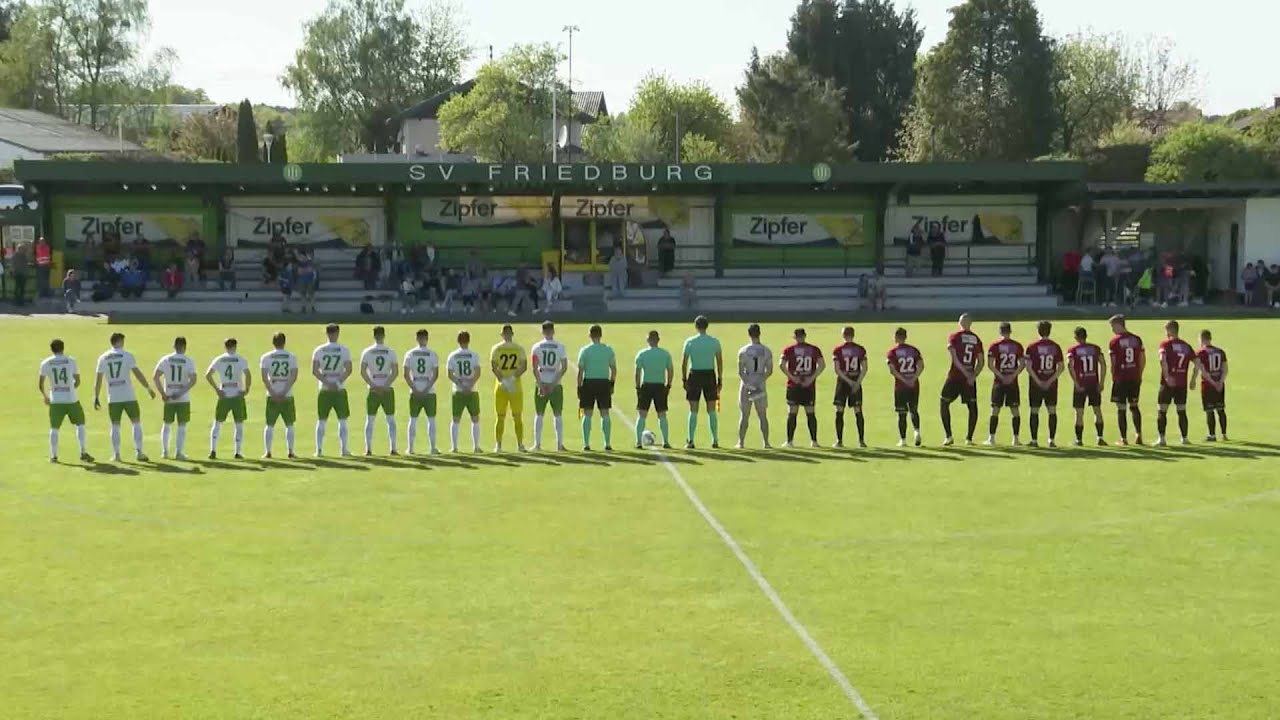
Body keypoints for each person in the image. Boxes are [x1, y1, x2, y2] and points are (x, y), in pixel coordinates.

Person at [93, 332, 157, 462]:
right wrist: (148, 388)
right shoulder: (127, 355)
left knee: (115, 425)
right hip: (129, 395)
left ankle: (116, 454)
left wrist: (96, 396)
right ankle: (139, 452)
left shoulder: (103, 358)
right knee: (136, 423)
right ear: (120, 341)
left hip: (113, 397)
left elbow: (98, 379)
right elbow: (137, 374)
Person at [38, 339, 93, 463]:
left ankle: (53, 456)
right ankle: (83, 452)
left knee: (54, 428)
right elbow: (77, 381)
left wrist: (45, 396)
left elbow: (40, 384)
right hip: (71, 399)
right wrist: (70, 388)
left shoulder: (46, 363)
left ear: (51, 349)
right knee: (80, 424)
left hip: (55, 400)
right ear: (63, 348)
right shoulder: (71, 361)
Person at [681, 315, 724, 449]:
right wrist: (720, 379)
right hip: (709, 375)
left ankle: (690, 440)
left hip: (695, 374)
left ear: (696, 326)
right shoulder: (714, 342)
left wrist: (684, 379)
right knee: (711, 409)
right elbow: (719, 361)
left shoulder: (690, 342)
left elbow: (684, 362)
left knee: (693, 409)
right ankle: (715, 440)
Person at [205, 338, 251, 460]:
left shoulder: (219, 359)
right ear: (235, 346)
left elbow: (208, 375)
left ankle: (213, 450)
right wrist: (246, 389)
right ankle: (237, 452)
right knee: (239, 424)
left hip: (224, 393)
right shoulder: (240, 359)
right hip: (237, 394)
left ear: (225, 347)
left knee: (217, 422)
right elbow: (248, 374)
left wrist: (217, 389)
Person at [941, 313, 983, 446]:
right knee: (972, 407)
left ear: (960, 323)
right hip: (969, 379)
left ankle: (948, 436)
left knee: (944, 402)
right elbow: (981, 361)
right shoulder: (976, 339)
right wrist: (973, 375)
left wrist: (964, 373)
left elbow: (954, 358)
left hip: (955, 376)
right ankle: (969, 438)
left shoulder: (955, 337)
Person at [312, 324, 353, 457]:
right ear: (337, 333)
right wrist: (337, 382)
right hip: (339, 389)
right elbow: (348, 369)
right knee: (343, 420)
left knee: (322, 420)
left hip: (324, 389)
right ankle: (344, 449)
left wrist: (326, 382)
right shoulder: (344, 350)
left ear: (326, 333)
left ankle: (319, 450)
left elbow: (315, 370)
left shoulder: (319, 350)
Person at [779, 328, 825, 448]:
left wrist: (792, 377)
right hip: (809, 385)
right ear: (805, 336)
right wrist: (811, 378)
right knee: (810, 413)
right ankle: (814, 441)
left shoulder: (789, 350)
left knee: (792, 413)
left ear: (794, 337)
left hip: (793, 385)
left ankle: (789, 441)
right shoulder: (814, 349)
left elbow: (781, 365)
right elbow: (822, 365)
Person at [153, 336, 197, 460]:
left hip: (168, 396)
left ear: (174, 346)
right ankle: (179, 453)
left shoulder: (165, 359)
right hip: (183, 398)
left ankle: (165, 452)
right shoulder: (188, 360)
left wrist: (162, 393)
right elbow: (193, 380)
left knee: (167, 424)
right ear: (185, 347)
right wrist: (182, 391)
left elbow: (155, 377)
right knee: (182, 426)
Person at [576, 324, 617, 451]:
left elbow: (580, 372)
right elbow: (613, 369)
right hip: (603, 383)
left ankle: (586, 444)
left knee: (587, 414)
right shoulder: (608, 350)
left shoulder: (585, 350)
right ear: (601, 335)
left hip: (589, 383)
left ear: (589, 335)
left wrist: (579, 387)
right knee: (605, 413)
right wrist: (611, 384)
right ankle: (607, 443)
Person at [1024, 321, 1065, 448]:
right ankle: (1051, 440)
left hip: (1035, 384)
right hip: (1051, 385)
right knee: (1052, 411)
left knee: (1034, 411)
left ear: (1038, 331)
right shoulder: (1055, 347)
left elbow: (1028, 367)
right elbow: (1061, 367)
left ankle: (1034, 440)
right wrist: (1050, 380)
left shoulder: (1032, 347)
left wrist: (1038, 381)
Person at [1155, 320, 1196, 447]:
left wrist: (1167, 377)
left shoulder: (1165, 344)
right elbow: (1198, 363)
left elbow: (1162, 360)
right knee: (1181, 410)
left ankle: (1162, 439)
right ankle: (1184, 438)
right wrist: (1193, 379)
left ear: (1169, 330)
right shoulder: (1186, 346)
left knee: (1162, 410)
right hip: (1181, 383)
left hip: (1167, 383)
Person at [530, 321, 569, 452]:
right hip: (556, 385)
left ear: (542, 331)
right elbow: (564, 367)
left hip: (541, 382)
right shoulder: (560, 347)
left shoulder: (536, 347)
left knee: (539, 414)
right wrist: (553, 384)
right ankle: (559, 444)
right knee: (557, 414)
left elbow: (534, 368)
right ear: (553, 331)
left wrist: (540, 385)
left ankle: (537, 444)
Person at [260, 332, 300, 459]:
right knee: (289, 424)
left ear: (273, 342)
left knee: (269, 425)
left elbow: (264, 377)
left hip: (272, 395)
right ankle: (291, 451)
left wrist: (273, 393)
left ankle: (267, 451)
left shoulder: (266, 357)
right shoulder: (291, 357)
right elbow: (294, 376)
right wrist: (284, 392)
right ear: (284, 342)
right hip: (287, 395)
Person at [401, 329, 441, 455]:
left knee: (413, 419)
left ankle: (410, 448)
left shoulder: (410, 354)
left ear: (416, 338)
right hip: (429, 391)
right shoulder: (432, 354)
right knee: (431, 420)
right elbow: (435, 375)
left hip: (415, 390)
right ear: (427, 339)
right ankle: (432, 448)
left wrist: (415, 389)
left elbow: (406, 374)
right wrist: (426, 389)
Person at [1107, 314, 1145, 445]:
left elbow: (1113, 363)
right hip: (1134, 377)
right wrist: (1139, 374)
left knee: (1121, 408)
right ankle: (1139, 435)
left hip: (1121, 378)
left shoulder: (1114, 342)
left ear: (1118, 325)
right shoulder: (1137, 339)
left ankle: (1123, 439)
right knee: (1134, 406)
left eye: (1113, 326)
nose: (1112, 330)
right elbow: (1142, 359)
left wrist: (1113, 376)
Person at [1067, 327, 1107, 446]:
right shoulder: (1095, 348)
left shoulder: (1073, 350)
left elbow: (1070, 365)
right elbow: (1103, 364)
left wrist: (1076, 383)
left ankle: (1079, 440)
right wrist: (1101, 382)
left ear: (1075, 337)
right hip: (1093, 383)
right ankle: (1100, 438)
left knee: (1079, 412)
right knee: (1097, 410)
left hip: (1081, 384)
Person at [490, 324, 527, 453]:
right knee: (517, 416)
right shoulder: (519, 348)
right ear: (512, 334)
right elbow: (523, 366)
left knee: (500, 416)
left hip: (500, 385)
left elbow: (494, 367)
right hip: (515, 385)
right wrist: (512, 378)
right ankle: (520, 445)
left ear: (502, 334)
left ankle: (498, 445)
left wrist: (503, 380)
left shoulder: (496, 348)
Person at [634, 330, 674, 450]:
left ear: (648, 340)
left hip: (646, 386)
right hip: (660, 386)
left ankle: (638, 442)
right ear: (658, 340)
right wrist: (668, 385)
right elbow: (670, 370)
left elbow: (637, 372)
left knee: (642, 414)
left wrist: (637, 387)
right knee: (662, 414)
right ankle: (665, 441)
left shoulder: (642, 354)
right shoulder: (665, 354)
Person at [736, 324, 774, 449]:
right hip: (760, 382)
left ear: (749, 334)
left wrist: (749, 384)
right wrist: (759, 382)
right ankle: (766, 442)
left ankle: (741, 442)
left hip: (746, 383)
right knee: (762, 415)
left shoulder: (743, 351)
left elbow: (740, 371)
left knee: (744, 415)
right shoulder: (766, 351)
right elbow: (769, 370)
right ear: (759, 333)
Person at [886, 327, 924, 447]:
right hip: (914, 385)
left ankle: (903, 440)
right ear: (906, 337)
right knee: (914, 410)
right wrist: (913, 378)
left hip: (901, 386)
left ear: (896, 337)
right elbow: (921, 366)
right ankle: (917, 431)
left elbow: (892, 370)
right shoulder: (914, 350)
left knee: (901, 413)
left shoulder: (892, 352)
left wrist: (904, 380)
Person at [446, 331, 483, 453]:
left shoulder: (453, 356)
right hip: (472, 391)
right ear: (469, 340)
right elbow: (477, 372)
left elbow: (450, 374)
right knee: (475, 419)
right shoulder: (474, 355)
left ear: (458, 341)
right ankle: (476, 447)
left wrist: (460, 384)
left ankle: (454, 447)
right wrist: (470, 385)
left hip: (458, 391)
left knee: (455, 419)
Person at [831, 326, 868, 449]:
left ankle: (839, 440)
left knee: (839, 411)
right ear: (853, 334)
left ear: (843, 335)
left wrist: (848, 381)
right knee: (858, 411)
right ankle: (861, 441)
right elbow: (864, 368)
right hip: (856, 381)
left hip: (842, 383)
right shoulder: (860, 349)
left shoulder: (838, 350)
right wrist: (857, 382)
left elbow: (837, 369)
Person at [1191, 329, 1229, 442]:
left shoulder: (1200, 353)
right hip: (1220, 385)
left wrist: (1194, 380)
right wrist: (1220, 382)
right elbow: (1225, 368)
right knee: (1221, 409)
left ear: (1202, 339)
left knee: (1209, 410)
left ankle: (1212, 435)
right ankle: (1224, 434)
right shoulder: (1220, 351)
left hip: (1207, 385)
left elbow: (1201, 370)